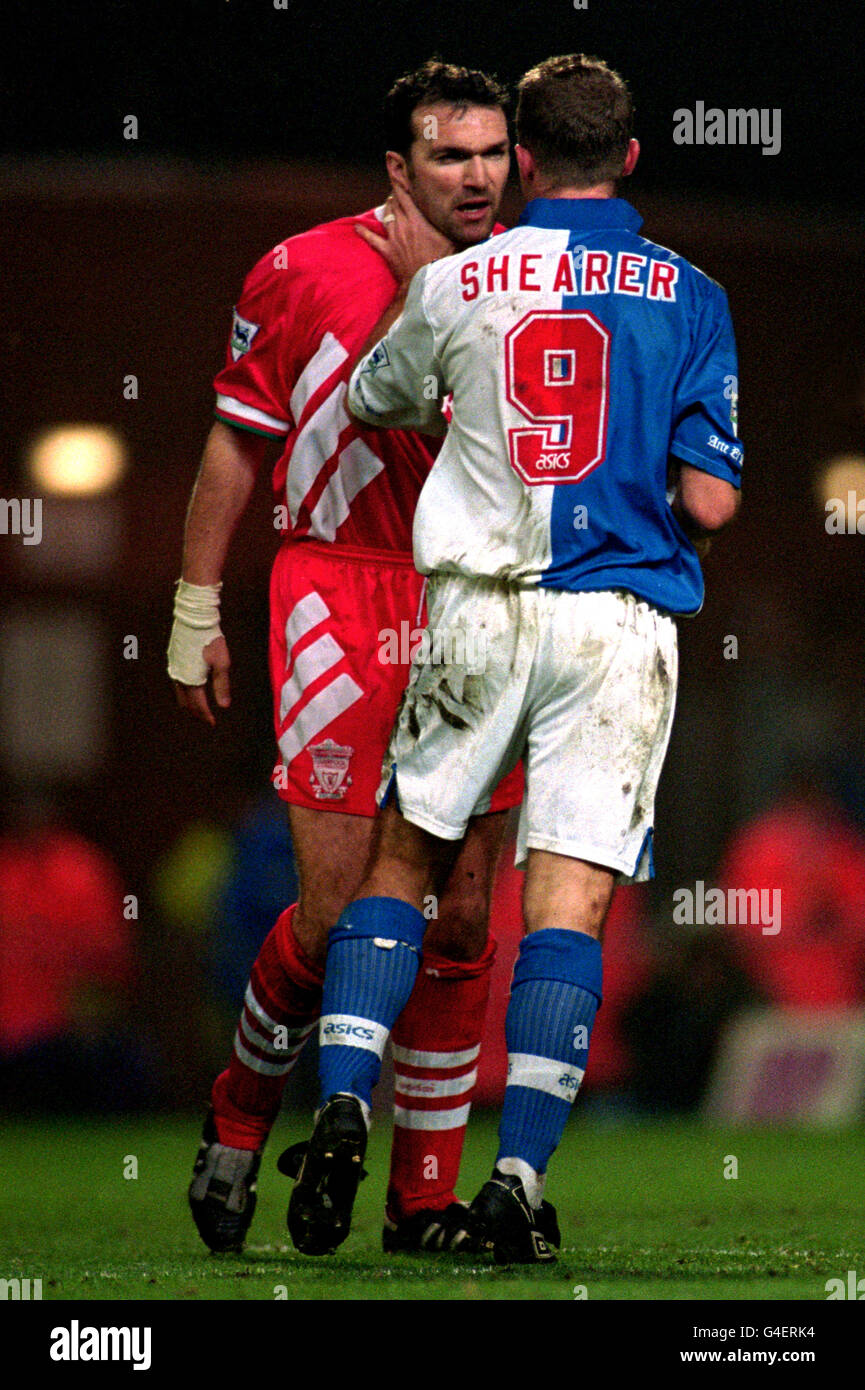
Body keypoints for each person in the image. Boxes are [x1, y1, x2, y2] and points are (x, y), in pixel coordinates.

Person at [287, 52, 743, 1263]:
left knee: (406, 858)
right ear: (632, 157)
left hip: (476, 610)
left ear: (524, 162)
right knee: (569, 901)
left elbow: (379, 400)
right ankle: (516, 1177)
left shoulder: (460, 281)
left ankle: (341, 1094)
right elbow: (711, 499)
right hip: (615, 626)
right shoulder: (692, 293)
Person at [167, 60, 520, 1255]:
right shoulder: (297, 267)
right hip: (334, 592)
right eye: (449, 155)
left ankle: (420, 1203)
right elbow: (235, 445)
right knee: (333, 923)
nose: (476, 176)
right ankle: (238, 1117)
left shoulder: (530, 280)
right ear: (397, 167)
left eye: (491, 153)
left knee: (465, 917)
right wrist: (191, 607)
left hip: (474, 606)